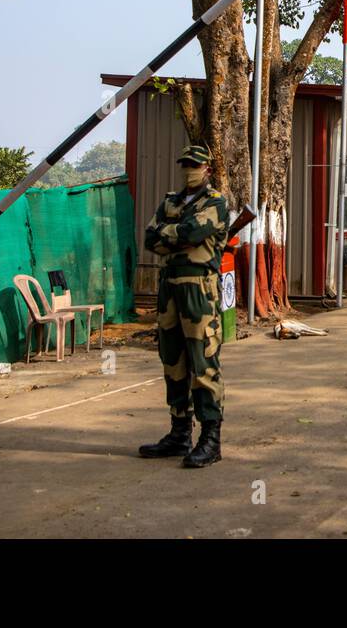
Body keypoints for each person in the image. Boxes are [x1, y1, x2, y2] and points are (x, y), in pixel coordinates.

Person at [139, 143, 229, 468]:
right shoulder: (170, 200)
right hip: (169, 288)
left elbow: (196, 230)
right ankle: (179, 434)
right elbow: (150, 239)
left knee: (203, 363)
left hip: (199, 289)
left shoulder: (216, 202)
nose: (189, 169)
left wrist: (171, 233)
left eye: (195, 164)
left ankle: (210, 439)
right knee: (172, 361)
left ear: (207, 168)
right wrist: (179, 235)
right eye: (186, 164)